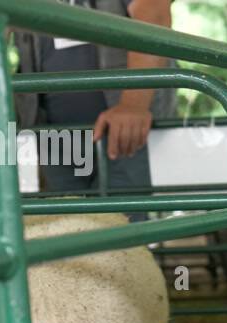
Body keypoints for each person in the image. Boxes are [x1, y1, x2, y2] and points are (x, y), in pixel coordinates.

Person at [12, 0, 177, 222]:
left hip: (124, 127)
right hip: (51, 126)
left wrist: (134, 104)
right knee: (66, 233)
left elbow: (153, 10)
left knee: (119, 232)